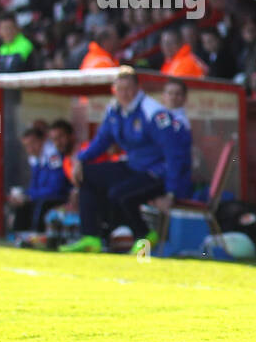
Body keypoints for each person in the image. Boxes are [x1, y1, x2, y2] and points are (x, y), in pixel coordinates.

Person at [59, 68, 193, 252]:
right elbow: (102, 140)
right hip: (134, 166)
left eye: (129, 88)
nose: (125, 93)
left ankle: (144, 235)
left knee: (119, 193)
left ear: (138, 88)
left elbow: (173, 152)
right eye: (120, 89)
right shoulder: (114, 110)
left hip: (158, 172)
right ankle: (91, 237)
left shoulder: (152, 111)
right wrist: (80, 160)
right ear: (114, 90)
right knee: (88, 175)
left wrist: (171, 191)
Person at [10, 126, 70, 232]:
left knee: (42, 204)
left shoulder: (53, 156)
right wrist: (24, 195)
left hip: (58, 197)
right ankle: (18, 236)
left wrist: (30, 196)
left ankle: (36, 234)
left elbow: (56, 188)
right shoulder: (35, 159)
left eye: (33, 143)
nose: (30, 148)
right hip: (43, 195)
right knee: (21, 203)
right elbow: (34, 186)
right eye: (27, 146)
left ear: (43, 140)